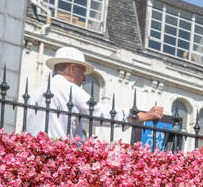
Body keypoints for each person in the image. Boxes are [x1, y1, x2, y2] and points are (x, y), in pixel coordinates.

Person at [25, 47, 163, 142]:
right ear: (72, 68)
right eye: (82, 72)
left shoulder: (36, 93)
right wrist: (142, 116)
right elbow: (100, 114)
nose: (84, 79)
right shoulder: (70, 89)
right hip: (57, 158)